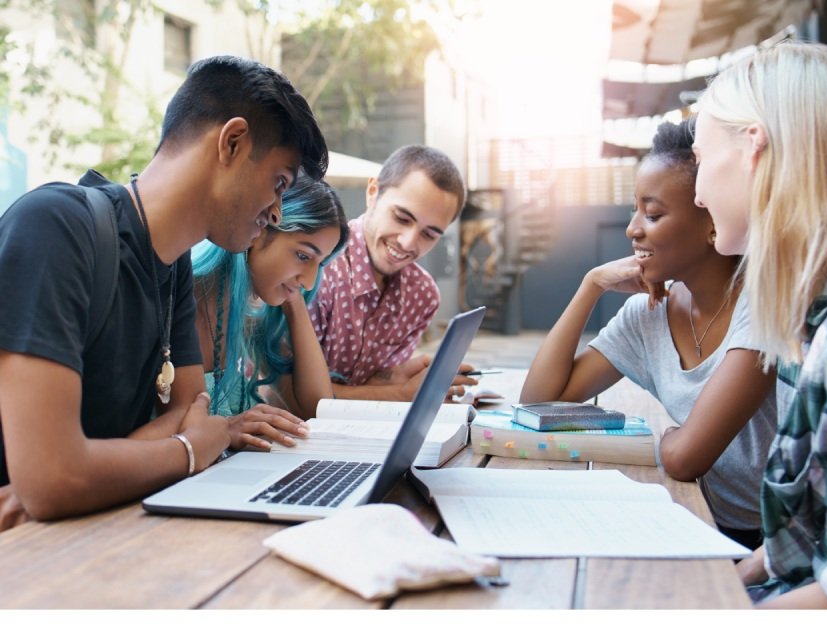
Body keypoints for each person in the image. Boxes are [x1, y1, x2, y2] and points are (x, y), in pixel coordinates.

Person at [0, 55, 327, 529]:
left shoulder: (172, 267)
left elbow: (191, 413)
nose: (276, 212)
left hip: (89, 534)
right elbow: (54, 481)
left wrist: (86, 467)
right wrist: (189, 451)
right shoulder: (56, 226)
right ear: (232, 142)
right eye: (278, 184)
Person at [519, 119, 777, 550]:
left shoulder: (765, 303)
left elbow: (684, 458)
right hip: (698, 516)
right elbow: (538, 401)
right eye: (635, 211)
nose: (633, 229)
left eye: (653, 214)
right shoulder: (648, 314)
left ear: (712, 221)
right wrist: (590, 286)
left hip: (770, 539)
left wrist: (661, 436)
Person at [691, 42, 827, 609]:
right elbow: (809, 536)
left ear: (753, 147)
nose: (697, 192)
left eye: (701, 159)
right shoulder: (805, 317)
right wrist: (718, 588)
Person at [308, 144, 477, 401]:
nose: (409, 242)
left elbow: (371, 383)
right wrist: (400, 393)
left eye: (429, 234)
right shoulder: (318, 267)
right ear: (373, 192)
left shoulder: (423, 295)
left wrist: (398, 375)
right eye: (401, 218)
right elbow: (294, 396)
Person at [192, 175, 348, 451]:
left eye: (320, 264)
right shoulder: (187, 297)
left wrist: (294, 302)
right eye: (303, 255)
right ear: (260, 229)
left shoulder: (253, 318)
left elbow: (316, 406)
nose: (311, 281)